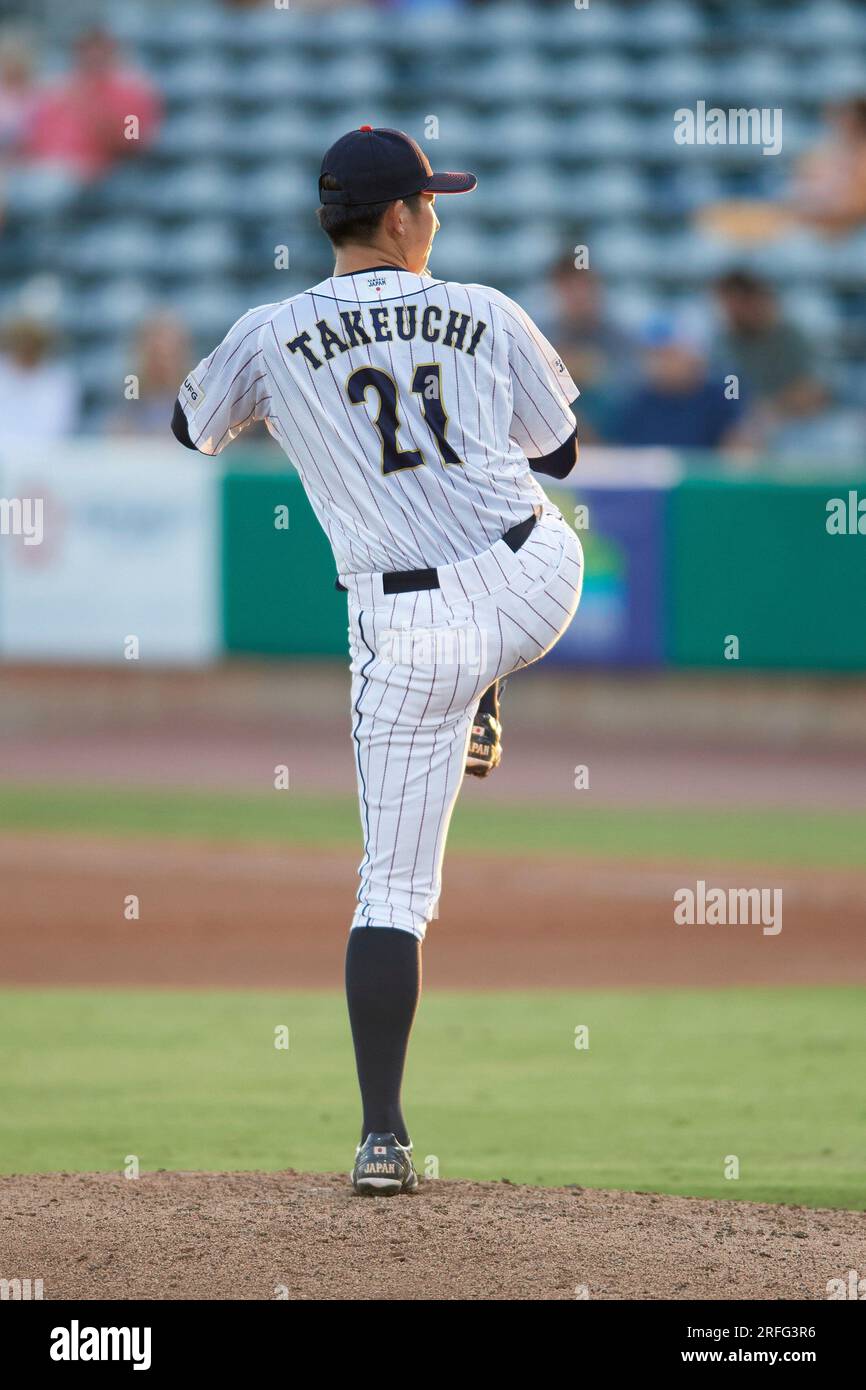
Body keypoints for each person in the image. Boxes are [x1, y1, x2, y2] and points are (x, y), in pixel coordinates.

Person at [171, 126, 583, 1196]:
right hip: (532, 582)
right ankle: (486, 683)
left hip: (402, 635)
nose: (436, 215)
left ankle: (382, 1140)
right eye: (429, 201)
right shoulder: (485, 309)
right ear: (399, 216)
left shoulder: (269, 331)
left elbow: (188, 429)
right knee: (543, 529)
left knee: (391, 889)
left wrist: (300, 407)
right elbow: (560, 452)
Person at [22, 25, 161, 181]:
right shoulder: (58, 91)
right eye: (86, 52)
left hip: (96, 176)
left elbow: (132, 142)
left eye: (99, 52)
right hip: (42, 169)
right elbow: (32, 140)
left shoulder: (132, 93)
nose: (92, 58)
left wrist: (89, 108)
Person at [713, 271, 828, 437]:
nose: (730, 312)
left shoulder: (793, 337)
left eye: (737, 305)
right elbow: (729, 389)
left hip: (798, 425)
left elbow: (813, 392)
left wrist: (773, 409)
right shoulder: (725, 341)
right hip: (745, 426)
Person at [608, 315, 746, 450]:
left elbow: (737, 449)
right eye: (654, 355)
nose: (662, 364)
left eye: (669, 354)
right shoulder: (635, 404)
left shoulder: (721, 396)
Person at [541, 257, 636, 440]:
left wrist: (597, 372)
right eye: (569, 288)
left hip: (614, 439)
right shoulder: (540, 336)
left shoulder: (621, 338)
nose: (579, 296)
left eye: (584, 287)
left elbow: (633, 391)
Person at [0, 315, 78, 441]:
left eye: (31, 342)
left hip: (45, 455)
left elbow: (57, 428)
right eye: (20, 341)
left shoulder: (58, 380)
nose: (25, 347)